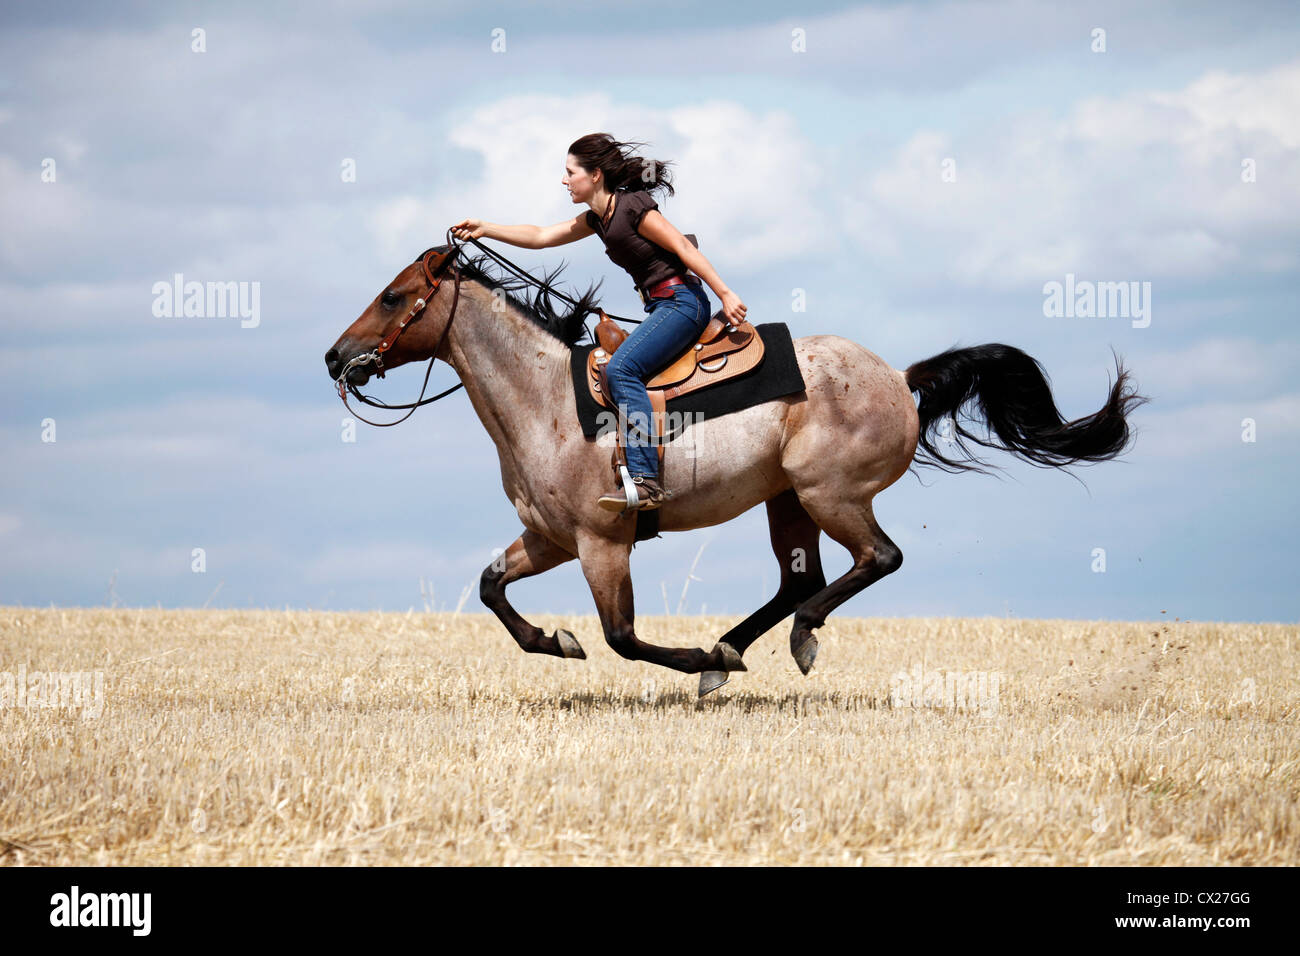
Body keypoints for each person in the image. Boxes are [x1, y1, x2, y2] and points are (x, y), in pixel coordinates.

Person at [451, 133, 748, 513]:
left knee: (622, 369)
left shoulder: (632, 207)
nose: (564, 180)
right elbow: (542, 236)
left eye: (569, 172)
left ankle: (644, 480)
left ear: (594, 175)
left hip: (682, 303)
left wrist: (725, 294)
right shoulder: (598, 218)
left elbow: (684, 249)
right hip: (662, 307)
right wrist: (486, 227)